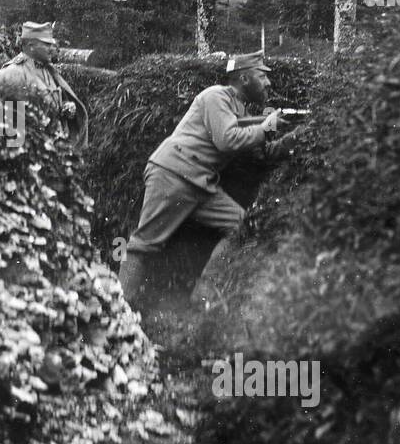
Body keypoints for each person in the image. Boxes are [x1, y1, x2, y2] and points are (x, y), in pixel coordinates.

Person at [117, 50, 304, 307]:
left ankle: (203, 295)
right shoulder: (216, 95)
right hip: (174, 173)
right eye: (262, 76)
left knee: (241, 226)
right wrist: (265, 127)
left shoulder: (238, 108)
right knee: (144, 243)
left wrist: (296, 136)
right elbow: (227, 140)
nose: (269, 83)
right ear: (244, 78)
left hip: (200, 183)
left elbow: (262, 154)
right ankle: (116, 306)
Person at [0, 21, 89, 146]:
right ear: (31, 46)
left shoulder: (48, 70)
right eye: (47, 44)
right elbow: (3, 123)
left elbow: (53, 99)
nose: (52, 49)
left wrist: (67, 106)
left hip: (55, 147)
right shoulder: (12, 73)